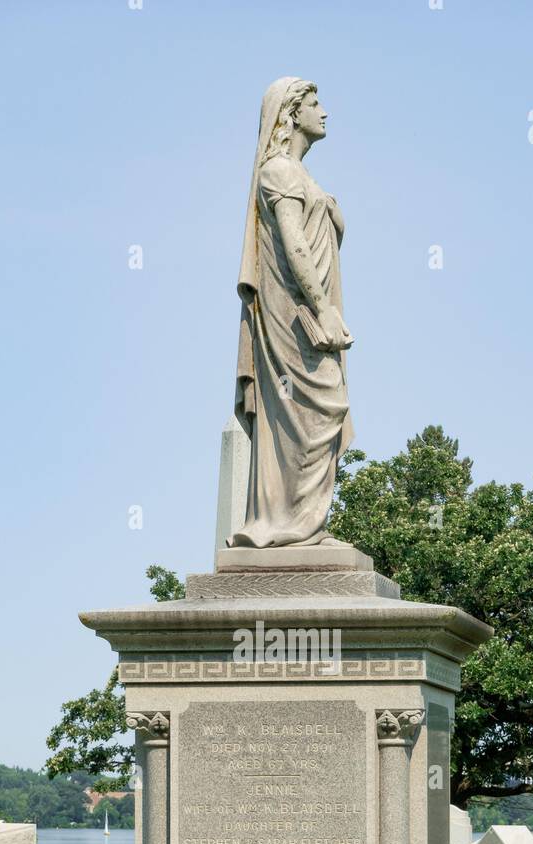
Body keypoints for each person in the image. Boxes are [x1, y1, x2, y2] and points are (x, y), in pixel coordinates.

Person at [228, 77, 353, 548]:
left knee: (314, 413)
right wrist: (324, 310)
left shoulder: (300, 176)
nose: (325, 111)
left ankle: (303, 523)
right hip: (295, 319)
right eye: (315, 103)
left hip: (307, 315)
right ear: (291, 113)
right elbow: (295, 245)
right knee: (319, 407)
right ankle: (291, 525)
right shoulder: (279, 172)